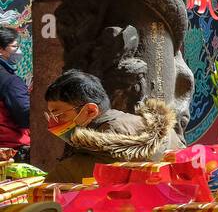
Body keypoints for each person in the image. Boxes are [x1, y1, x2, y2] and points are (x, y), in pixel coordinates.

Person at [44, 70, 177, 183]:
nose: (53, 124)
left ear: (90, 111)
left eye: (58, 115)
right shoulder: (156, 126)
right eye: (50, 116)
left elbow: (47, 199)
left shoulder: (72, 170)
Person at [0, 28, 29, 151]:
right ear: (1, 49)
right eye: (14, 47)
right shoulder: (11, 81)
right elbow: (25, 116)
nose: (19, 51)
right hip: (9, 148)